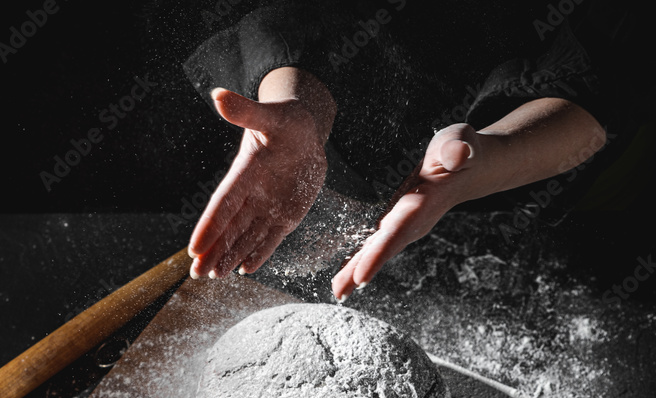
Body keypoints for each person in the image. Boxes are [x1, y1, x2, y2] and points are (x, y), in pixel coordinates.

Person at [181, 0, 648, 300]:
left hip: (532, 179)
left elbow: (610, 74)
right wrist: (301, 106)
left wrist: (490, 158)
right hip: (321, 128)